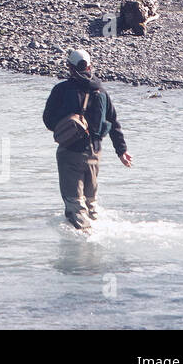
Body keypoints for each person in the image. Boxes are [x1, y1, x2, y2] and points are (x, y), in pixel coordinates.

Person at [42, 48, 132, 230]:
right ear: (90, 66)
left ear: (70, 67)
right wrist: (121, 151)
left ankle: (84, 245)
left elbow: (48, 120)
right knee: (91, 202)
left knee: (74, 203)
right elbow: (114, 122)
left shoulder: (61, 90)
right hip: (95, 153)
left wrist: (67, 122)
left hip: (70, 152)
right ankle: (95, 232)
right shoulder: (102, 91)